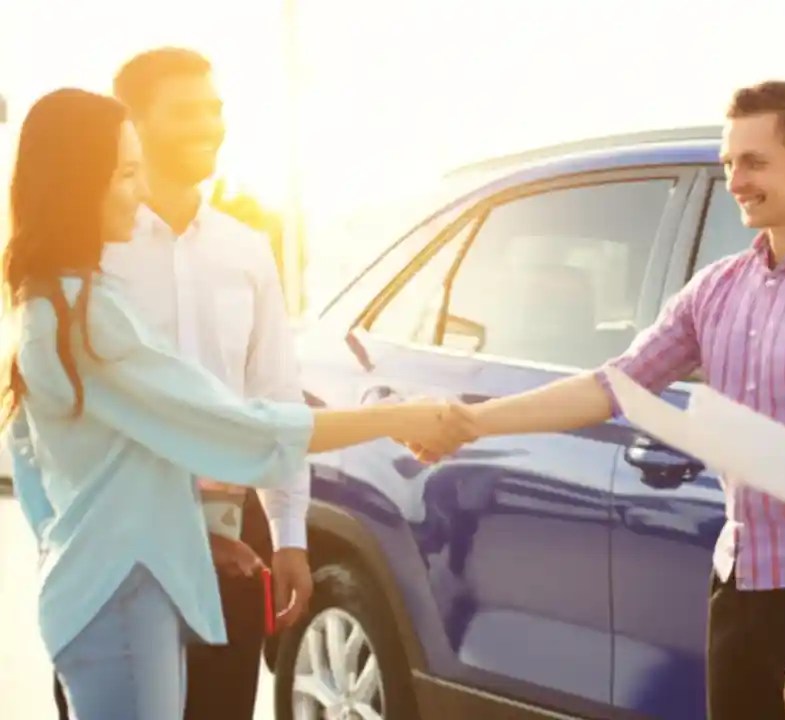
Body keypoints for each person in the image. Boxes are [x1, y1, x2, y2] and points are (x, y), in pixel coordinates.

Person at [413, 81, 785, 719]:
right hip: (736, 591)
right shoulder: (718, 289)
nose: (735, 180)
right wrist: (473, 422)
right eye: (730, 162)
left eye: (754, 162)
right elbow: (611, 386)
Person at [3, 87, 475, 720]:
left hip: (106, 592)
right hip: (120, 604)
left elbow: (54, 470)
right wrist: (399, 417)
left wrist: (181, 534)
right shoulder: (89, 319)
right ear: (78, 181)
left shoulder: (53, 304)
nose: (139, 192)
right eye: (125, 173)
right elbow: (234, 427)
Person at [59, 47, 311, 720]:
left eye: (215, 109)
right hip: (117, 551)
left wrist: (289, 533)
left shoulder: (247, 249)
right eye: (187, 112)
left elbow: (275, 397)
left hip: (234, 550)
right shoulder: (88, 252)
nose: (210, 125)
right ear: (133, 124)